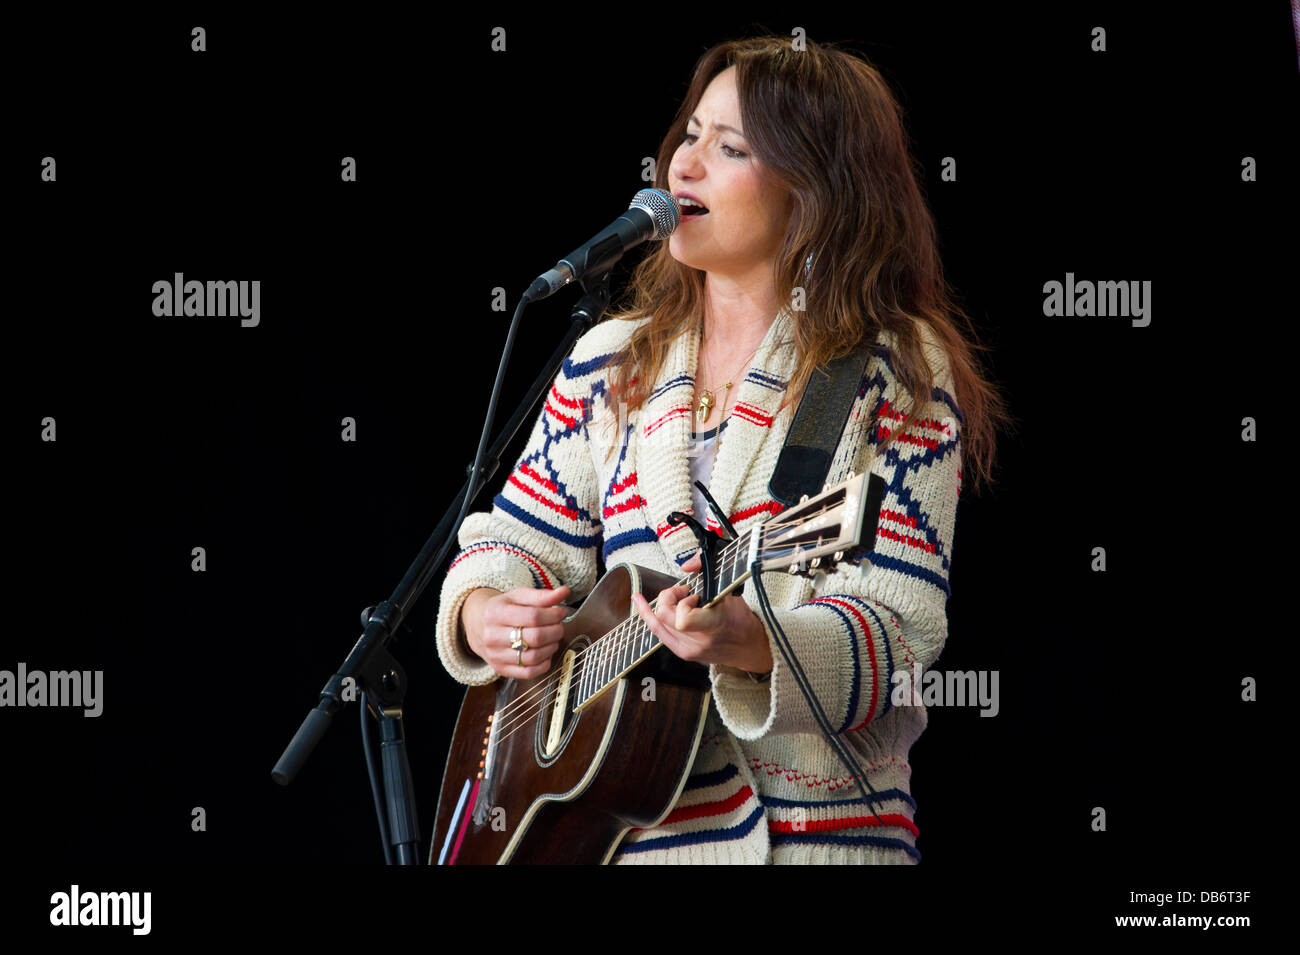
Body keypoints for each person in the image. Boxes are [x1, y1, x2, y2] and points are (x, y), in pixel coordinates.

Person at [434, 35, 1010, 864]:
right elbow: (514, 544)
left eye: (730, 147)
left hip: (820, 842)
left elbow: (899, 635)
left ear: (815, 191)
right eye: (691, 133)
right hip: (625, 845)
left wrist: (752, 640)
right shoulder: (610, 358)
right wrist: (487, 611)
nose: (681, 165)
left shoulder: (889, 370)